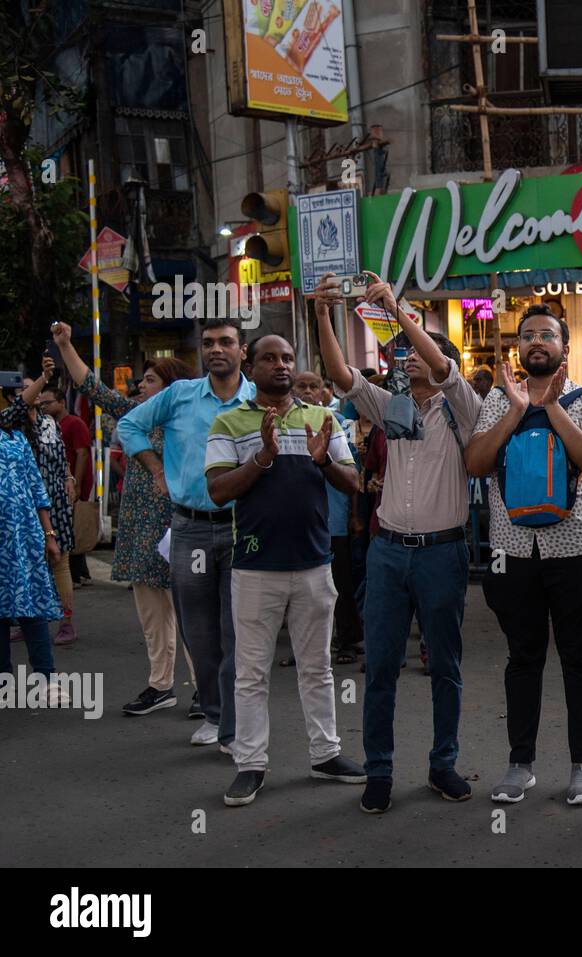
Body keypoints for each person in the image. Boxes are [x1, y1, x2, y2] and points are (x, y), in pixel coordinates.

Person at [315, 271, 482, 814]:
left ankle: (443, 764)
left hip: (442, 552)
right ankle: (379, 770)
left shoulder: (461, 407)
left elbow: (440, 366)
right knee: (381, 666)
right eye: (402, 353)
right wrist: (323, 313)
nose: (407, 359)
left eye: (414, 353)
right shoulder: (390, 406)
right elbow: (341, 375)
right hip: (388, 552)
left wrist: (397, 308)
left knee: (445, 667)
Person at [205, 334, 365, 807]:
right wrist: (262, 457)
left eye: (288, 358)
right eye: (270, 358)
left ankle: (325, 755)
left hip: (315, 565)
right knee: (251, 673)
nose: (281, 365)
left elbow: (351, 480)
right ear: (250, 367)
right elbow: (218, 491)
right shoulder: (227, 421)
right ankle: (250, 764)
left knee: (317, 668)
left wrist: (323, 461)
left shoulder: (323, 417)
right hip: (255, 567)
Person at [466, 303, 582, 806]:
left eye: (547, 335)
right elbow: (475, 462)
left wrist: (550, 405)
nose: (536, 342)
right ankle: (520, 764)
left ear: (564, 349)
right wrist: (514, 408)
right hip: (512, 551)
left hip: (577, 546)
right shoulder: (496, 400)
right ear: (519, 348)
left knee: (579, 657)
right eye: (528, 336)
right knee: (522, 657)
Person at [119, 318, 257, 749]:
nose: (217, 349)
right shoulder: (179, 395)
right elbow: (128, 427)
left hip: (242, 528)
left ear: (242, 350)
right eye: (210, 342)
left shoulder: (259, 398)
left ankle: (237, 724)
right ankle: (214, 716)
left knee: (239, 631)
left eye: (227, 342)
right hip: (190, 528)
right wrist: (156, 468)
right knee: (199, 631)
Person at [49, 322, 200, 716]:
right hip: (137, 532)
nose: (141, 386)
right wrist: (65, 346)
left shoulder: (192, 422)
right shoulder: (136, 414)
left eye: (149, 380)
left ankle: (205, 689)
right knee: (153, 622)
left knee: (190, 619)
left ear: (172, 387)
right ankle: (160, 685)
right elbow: (91, 387)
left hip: (178, 533)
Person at [291, 370, 364, 666]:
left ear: (325, 391)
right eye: (302, 386)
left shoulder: (338, 423)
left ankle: (347, 641)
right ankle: (304, 649)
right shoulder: (281, 423)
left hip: (334, 518)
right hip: (298, 520)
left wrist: (354, 515)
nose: (308, 391)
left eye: (314, 386)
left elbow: (352, 473)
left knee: (340, 585)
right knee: (300, 591)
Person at [1, 375, 76, 645]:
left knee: (61, 562)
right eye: (23, 389)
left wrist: (69, 478)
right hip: (25, 504)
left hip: (53, 499)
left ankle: (66, 621)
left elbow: (62, 455)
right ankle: (30, 618)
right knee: (32, 564)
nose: (33, 394)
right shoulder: (11, 425)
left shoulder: (49, 423)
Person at [0, 402, 63, 697]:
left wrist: (49, 534)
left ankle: (47, 679)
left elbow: (37, 487)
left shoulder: (16, 438)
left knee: (31, 605)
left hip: (23, 534)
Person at [38, 384, 93, 586]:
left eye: (48, 402)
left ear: (61, 402)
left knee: (72, 527)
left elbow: (82, 453)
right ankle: (80, 572)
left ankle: (77, 573)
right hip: (55, 484)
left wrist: (75, 482)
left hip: (71, 484)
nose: (44, 406)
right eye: (41, 403)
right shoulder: (47, 425)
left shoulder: (74, 423)